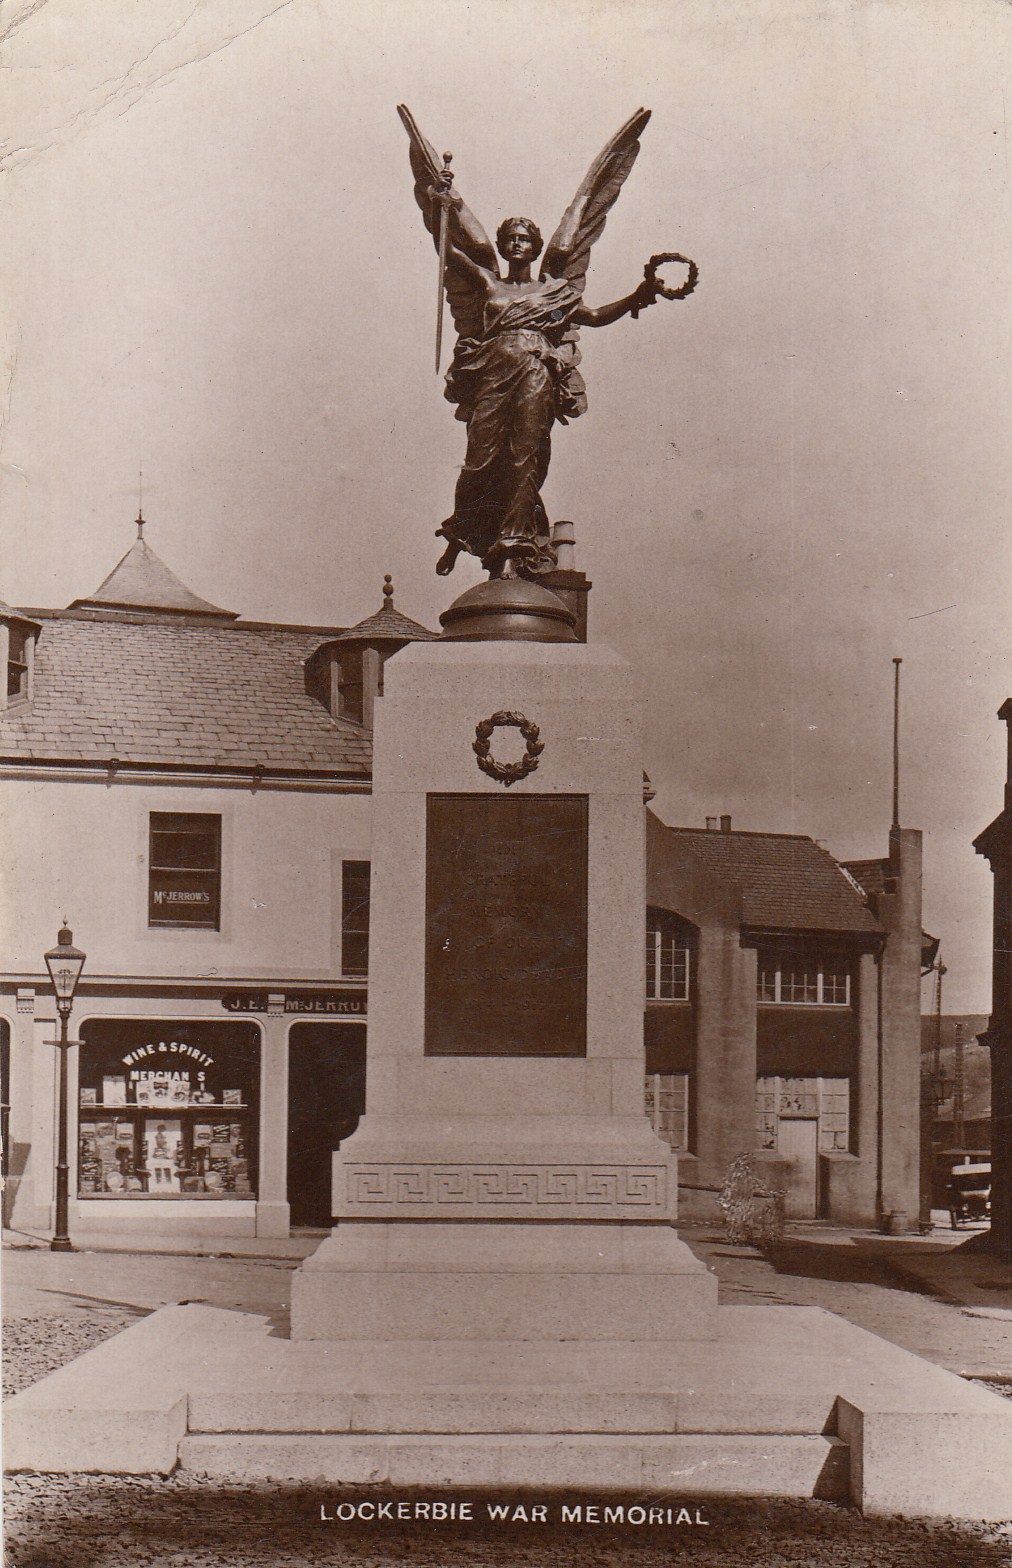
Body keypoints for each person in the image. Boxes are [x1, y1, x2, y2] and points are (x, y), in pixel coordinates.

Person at [433, 208, 659, 578]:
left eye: (524, 239)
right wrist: (439, 200)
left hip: (535, 373)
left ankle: (512, 547)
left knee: (524, 460)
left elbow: (595, 317)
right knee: (478, 459)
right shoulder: (489, 284)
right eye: (510, 238)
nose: (516, 244)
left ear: (536, 248)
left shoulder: (552, 292)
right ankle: (461, 534)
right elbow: (447, 246)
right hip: (492, 373)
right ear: (502, 246)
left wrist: (637, 295)